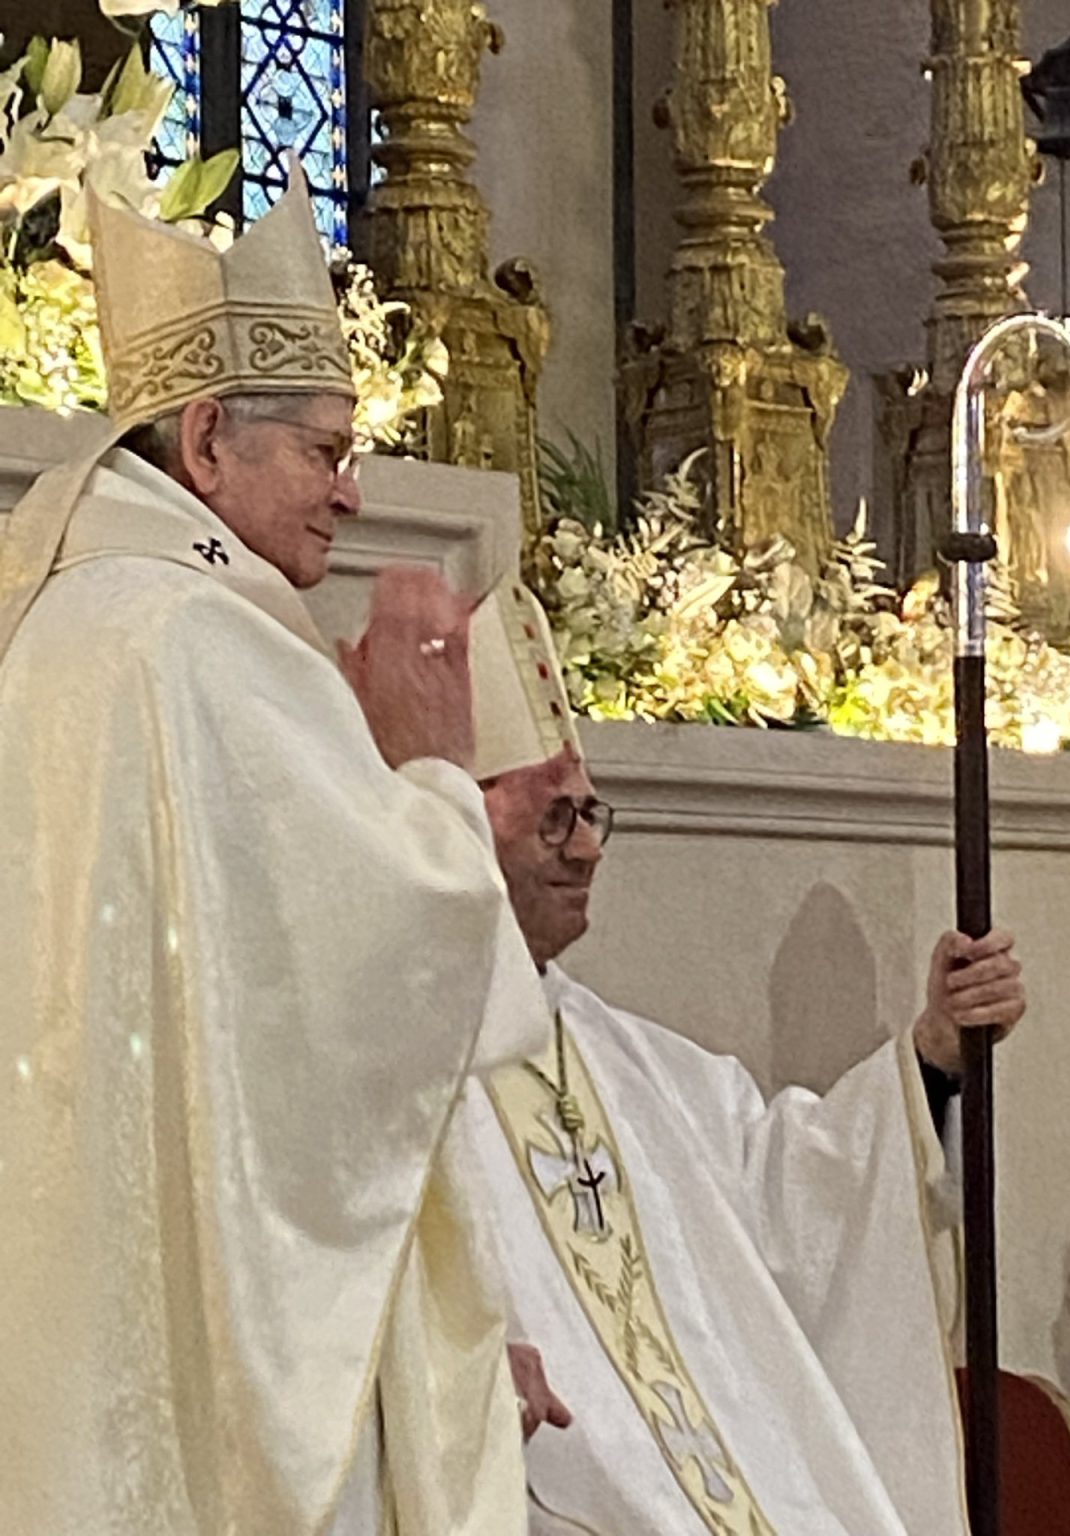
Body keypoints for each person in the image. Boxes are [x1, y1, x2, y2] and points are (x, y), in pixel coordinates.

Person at [0, 168, 547, 1535]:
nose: (352, 494)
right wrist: (426, 766)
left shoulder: (66, 627)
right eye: (324, 449)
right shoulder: (204, 642)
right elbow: (396, 990)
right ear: (203, 445)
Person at [461, 578, 1027, 1535]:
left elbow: (792, 1194)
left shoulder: (626, 1058)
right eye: (554, 817)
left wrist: (934, 1050)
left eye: (593, 813)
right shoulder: (409, 1070)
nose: (587, 849)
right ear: (455, 827)